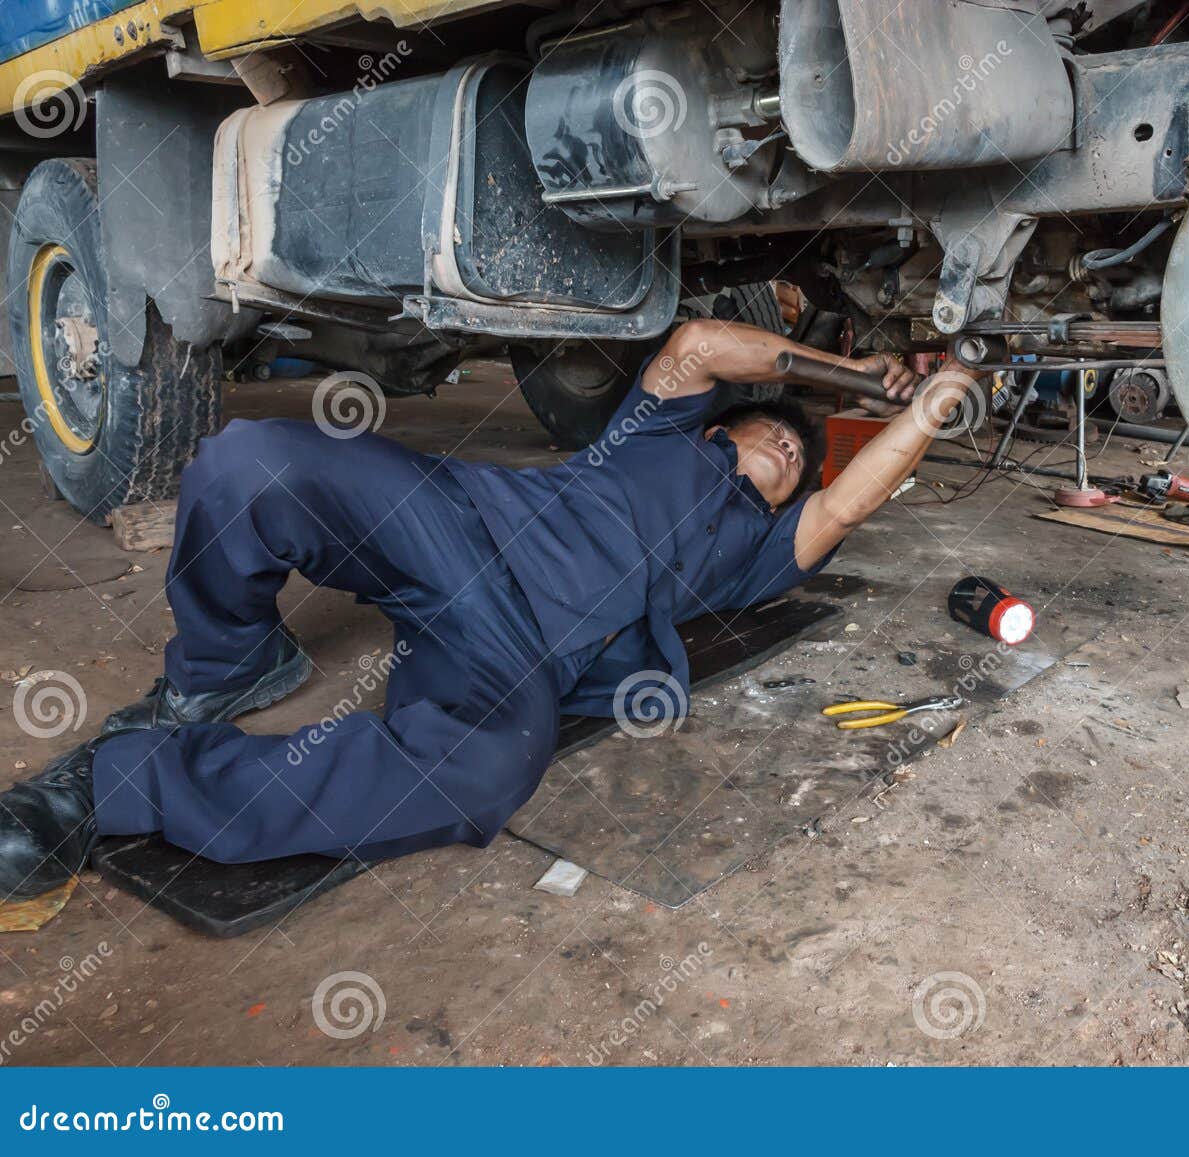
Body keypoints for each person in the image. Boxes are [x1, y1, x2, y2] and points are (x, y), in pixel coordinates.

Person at [0, 319, 978, 899]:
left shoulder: (765, 550)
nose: (785, 455)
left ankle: (112, 784)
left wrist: (931, 405)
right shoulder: (657, 427)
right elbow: (698, 345)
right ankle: (225, 665)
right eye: (771, 435)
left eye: (796, 461)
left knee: (479, 773)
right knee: (250, 461)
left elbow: (851, 496)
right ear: (725, 423)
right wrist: (845, 375)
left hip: (519, 643)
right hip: (462, 520)